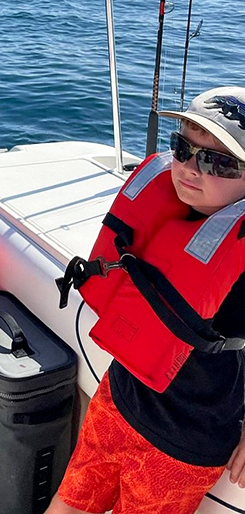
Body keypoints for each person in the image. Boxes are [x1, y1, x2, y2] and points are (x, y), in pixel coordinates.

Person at [48, 86, 245, 514]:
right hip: (117, 400)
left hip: (184, 444)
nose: (191, 168)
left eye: (218, 162)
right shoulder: (163, 214)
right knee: (67, 505)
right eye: (183, 148)